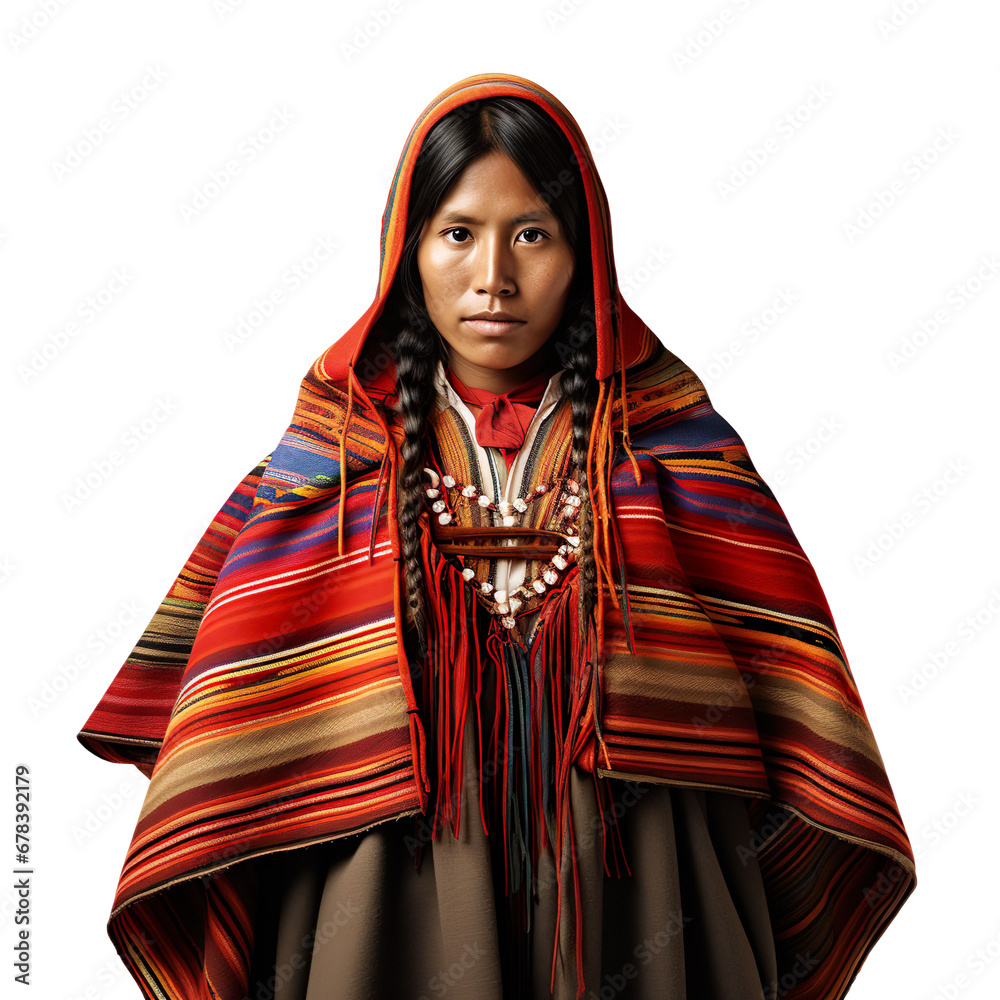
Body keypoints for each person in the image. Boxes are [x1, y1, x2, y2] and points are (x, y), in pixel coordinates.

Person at [77, 73, 916, 1000]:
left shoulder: (674, 447)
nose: (494, 279)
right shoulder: (330, 463)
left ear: (584, 249)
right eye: (459, 234)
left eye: (532, 235)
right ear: (408, 250)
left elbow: (794, 698)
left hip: (643, 882)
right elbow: (230, 709)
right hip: (384, 880)